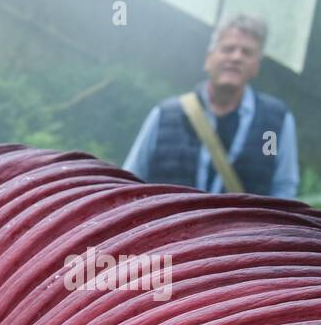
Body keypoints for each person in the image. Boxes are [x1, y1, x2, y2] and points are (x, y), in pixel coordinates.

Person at [123, 13, 298, 199]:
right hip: (170, 226)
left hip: (242, 228)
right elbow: (131, 180)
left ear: (256, 66)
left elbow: (283, 190)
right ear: (209, 58)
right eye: (228, 49)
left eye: (247, 52)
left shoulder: (273, 124)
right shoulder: (167, 115)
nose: (236, 57)